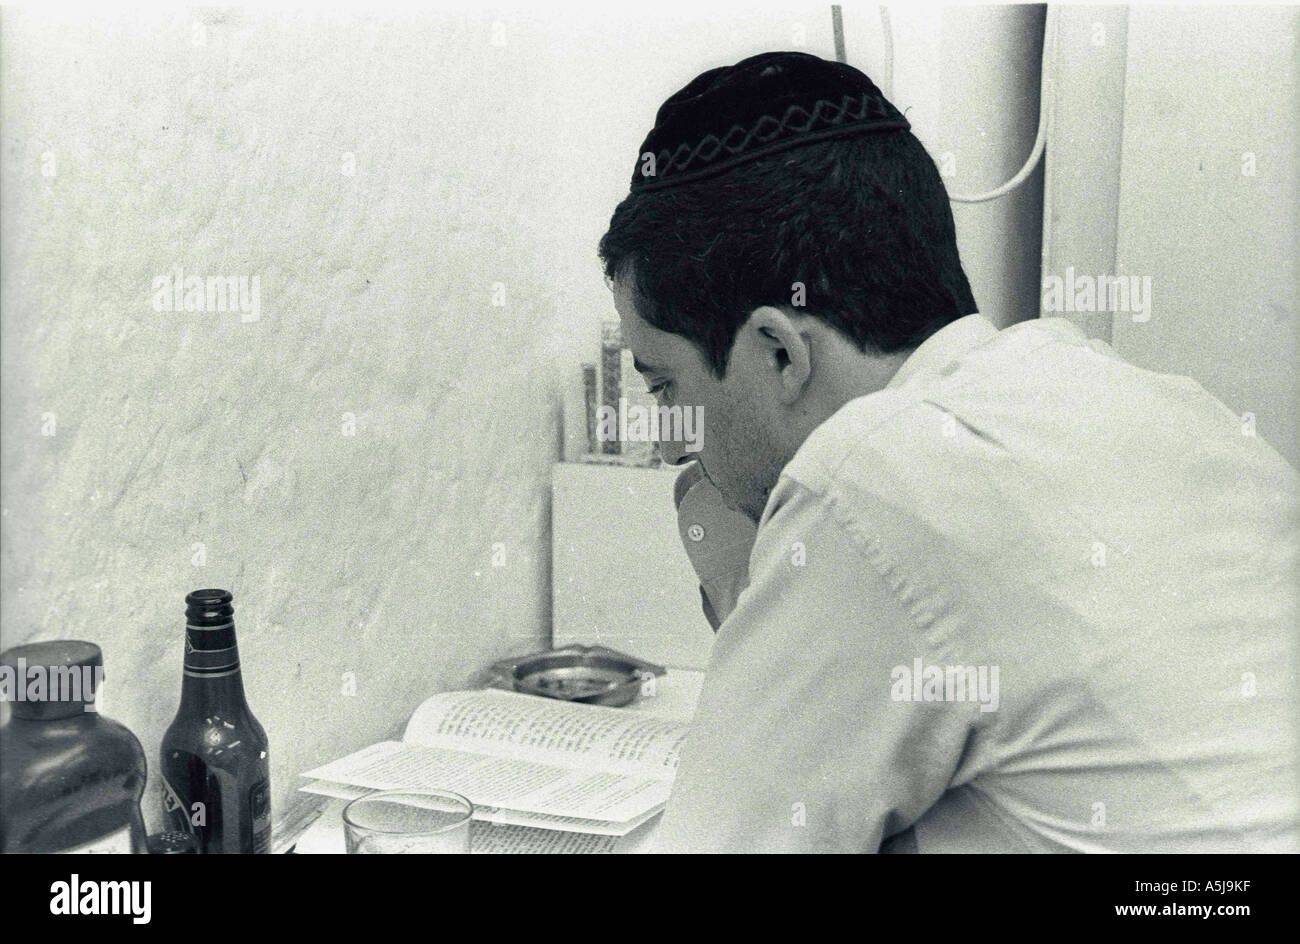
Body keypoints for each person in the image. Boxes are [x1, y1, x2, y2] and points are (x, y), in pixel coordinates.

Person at [597, 51, 1299, 852]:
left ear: (779, 353)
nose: (682, 436)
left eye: (666, 388)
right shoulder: (1161, 404)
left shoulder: (872, 481)